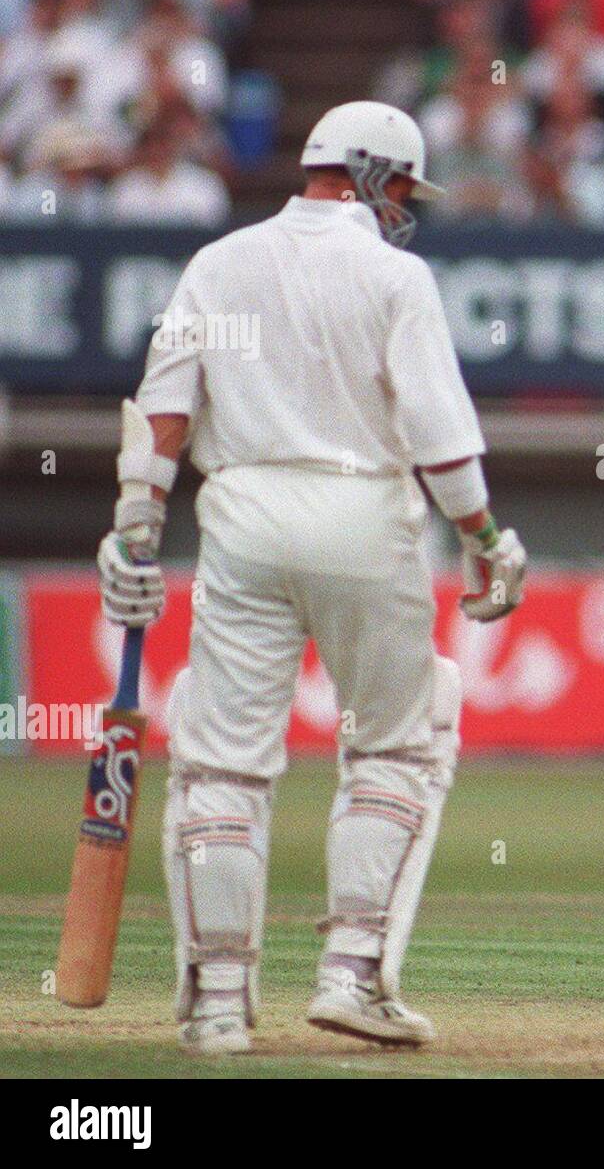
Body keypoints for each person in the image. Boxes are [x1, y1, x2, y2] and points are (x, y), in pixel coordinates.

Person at [95, 101, 527, 1054]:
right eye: (404, 186)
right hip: (363, 515)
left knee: (221, 763)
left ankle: (216, 1002)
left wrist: (135, 523)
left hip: (242, 517)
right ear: (376, 178)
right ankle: (350, 973)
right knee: (398, 744)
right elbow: (438, 436)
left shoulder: (220, 262)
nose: (408, 206)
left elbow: (166, 404)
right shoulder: (394, 274)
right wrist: (486, 535)